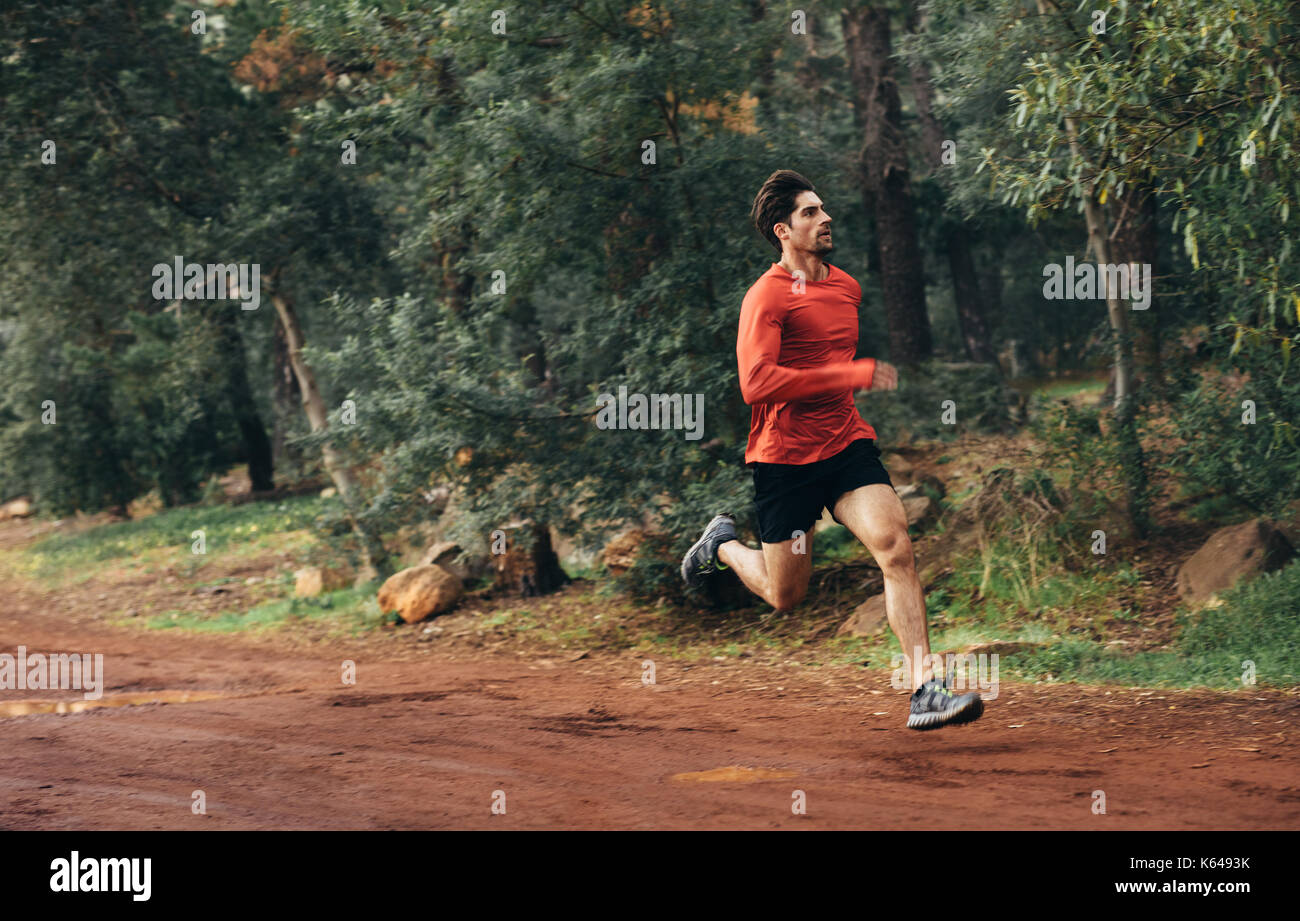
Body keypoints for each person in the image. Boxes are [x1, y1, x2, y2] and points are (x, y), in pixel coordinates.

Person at [681, 169, 982, 730]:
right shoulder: (765, 296)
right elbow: (756, 384)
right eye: (810, 213)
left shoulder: (846, 287)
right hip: (784, 462)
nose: (825, 219)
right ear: (783, 230)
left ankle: (925, 689)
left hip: (845, 447)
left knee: (896, 548)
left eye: (824, 209)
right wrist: (846, 372)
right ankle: (722, 545)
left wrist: (845, 382)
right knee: (784, 595)